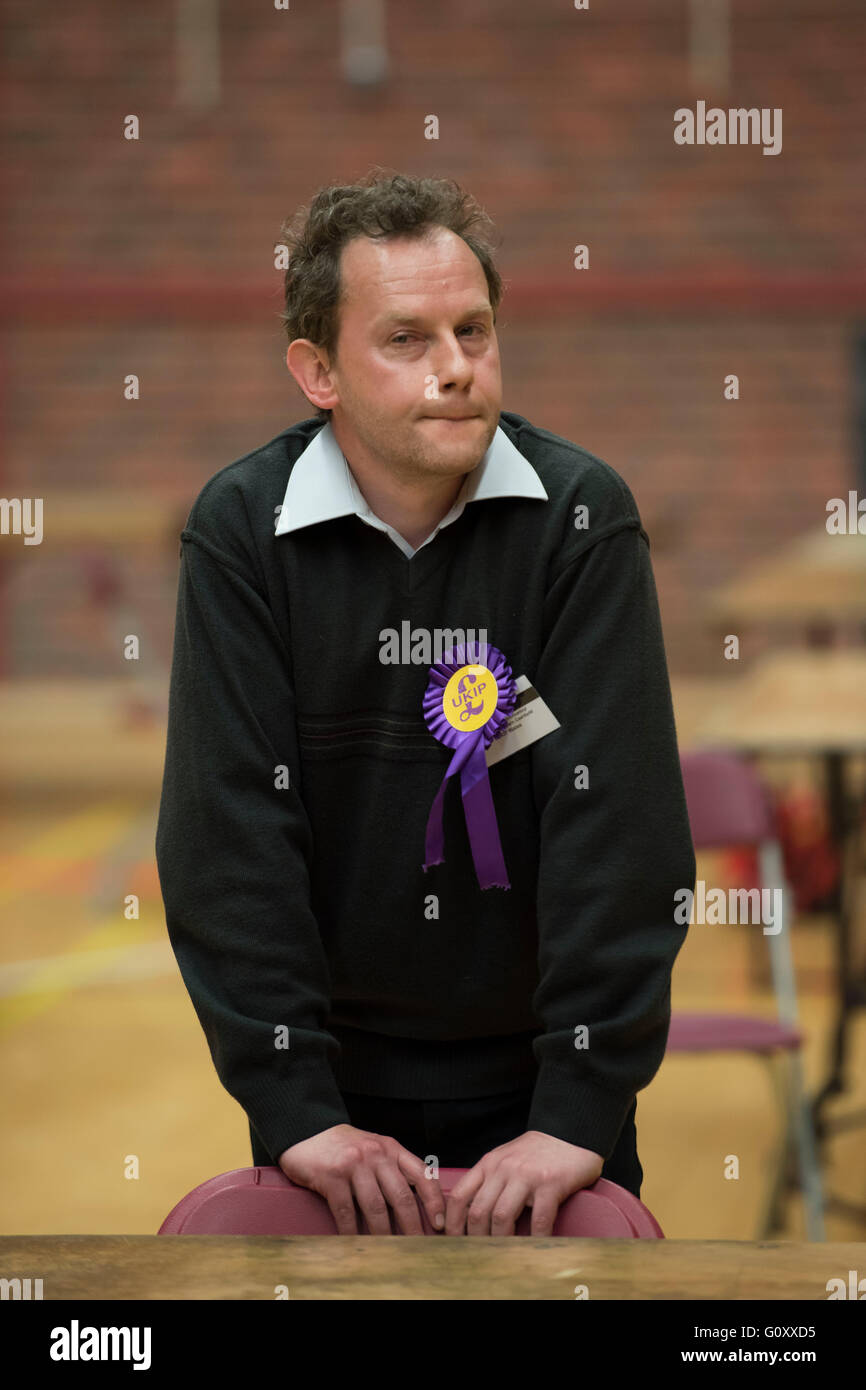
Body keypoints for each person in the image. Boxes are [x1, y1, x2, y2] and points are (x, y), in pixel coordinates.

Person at [155, 169, 696, 1238]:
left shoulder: (581, 520)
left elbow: (619, 829)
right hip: (330, 1119)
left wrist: (579, 1108)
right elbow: (227, 834)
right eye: (406, 339)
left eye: (473, 330)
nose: (455, 369)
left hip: (546, 1105)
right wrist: (293, 1105)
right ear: (317, 371)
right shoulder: (238, 530)